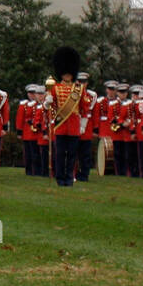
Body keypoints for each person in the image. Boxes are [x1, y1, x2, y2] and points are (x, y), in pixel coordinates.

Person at [44, 48, 91, 187]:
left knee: (71, 155)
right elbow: (49, 109)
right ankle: (60, 177)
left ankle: (70, 177)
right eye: (65, 74)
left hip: (74, 126)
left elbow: (85, 108)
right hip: (60, 126)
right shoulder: (55, 88)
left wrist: (83, 125)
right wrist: (47, 103)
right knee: (59, 155)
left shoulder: (79, 89)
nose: (67, 76)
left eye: (69, 74)